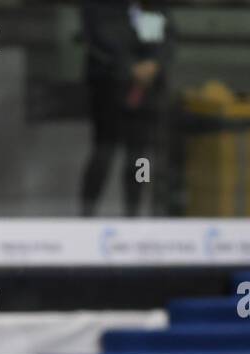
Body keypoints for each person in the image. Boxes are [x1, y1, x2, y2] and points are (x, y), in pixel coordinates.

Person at [78, 0, 170, 217]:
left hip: (143, 91)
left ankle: (133, 212)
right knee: (104, 152)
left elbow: (158, 36)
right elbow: (99, 37)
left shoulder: (147, 6)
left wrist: (153, 63)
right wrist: (129, 67)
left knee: (139, 156)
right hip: (108, 86)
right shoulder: (99, 7)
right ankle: (86, 214)